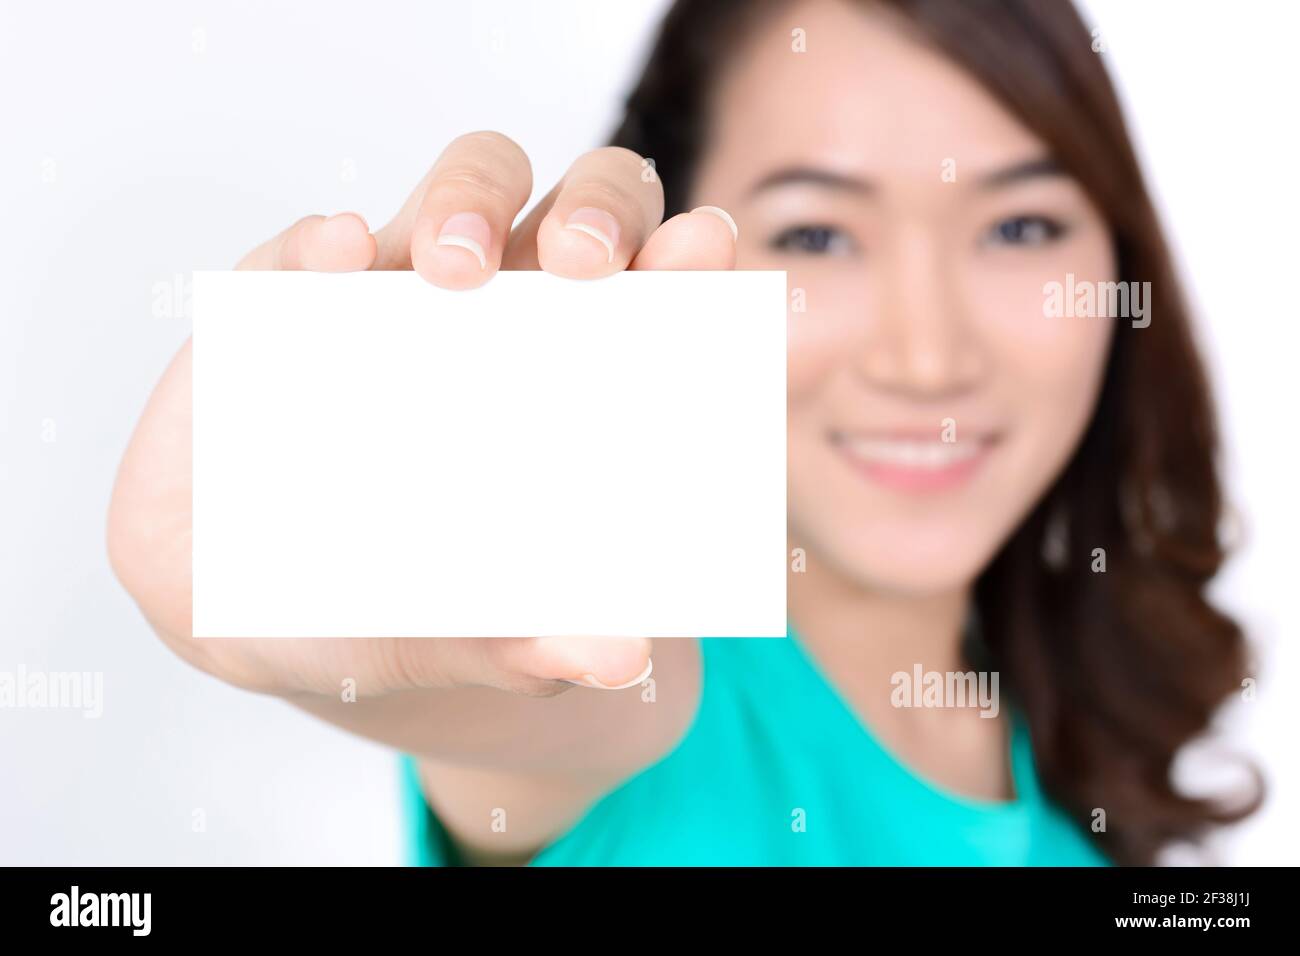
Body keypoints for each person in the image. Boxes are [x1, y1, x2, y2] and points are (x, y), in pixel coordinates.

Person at [107, 0, 1258, 866]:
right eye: (815, 237)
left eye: (1017, 224)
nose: (929, 355)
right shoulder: (644, 677)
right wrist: (282, 567)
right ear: (667, 268)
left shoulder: (1076, 715)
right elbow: (546, 693)